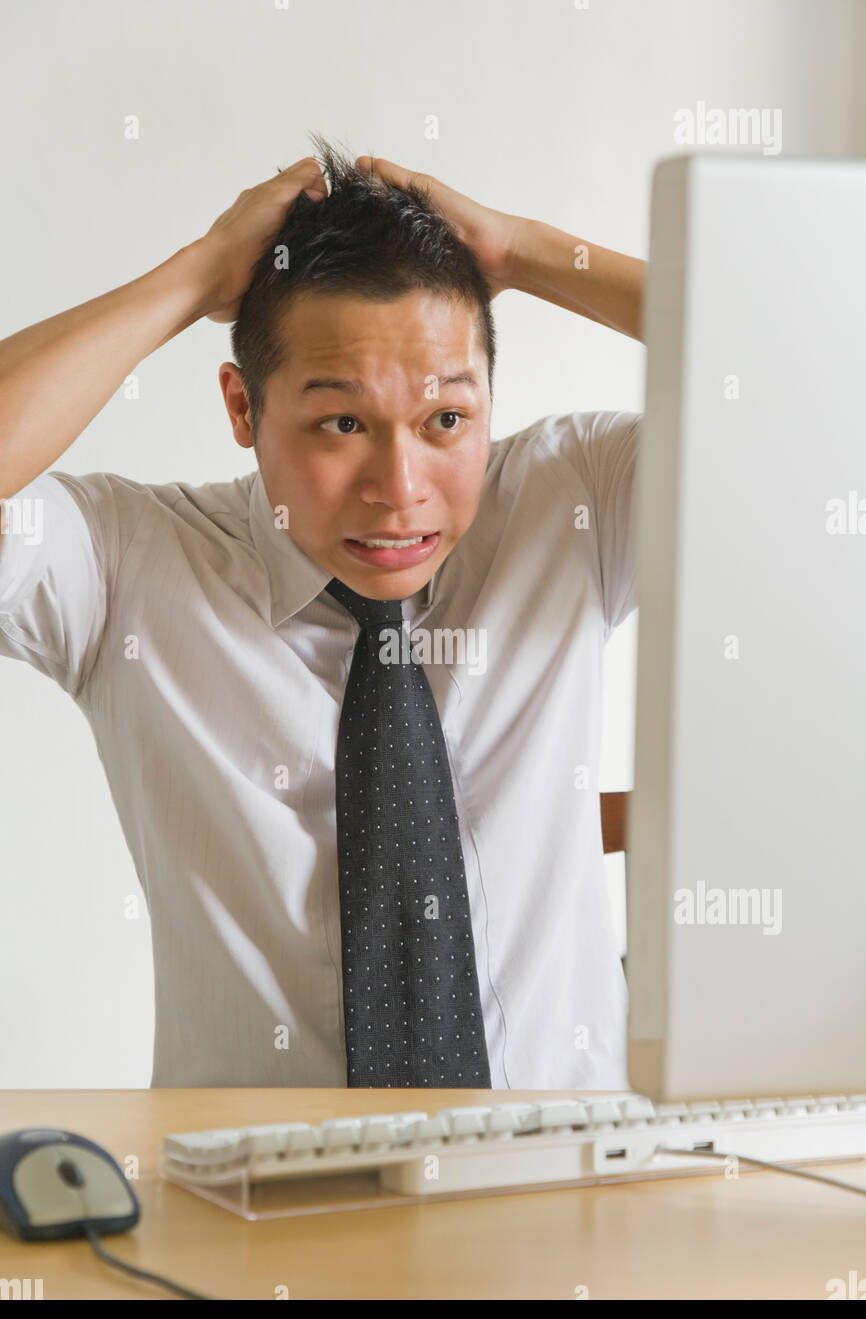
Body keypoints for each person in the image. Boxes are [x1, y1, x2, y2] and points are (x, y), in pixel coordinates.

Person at [0, 135, 645, 1088]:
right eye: (341, 422)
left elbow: (816, 377)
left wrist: (521, 252)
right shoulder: (124, 563)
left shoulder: (572, 501)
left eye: (445, 421)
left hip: (563, 1196)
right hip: (252, 1212)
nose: (399, 489)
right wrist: (198, 276)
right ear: (243, 409)